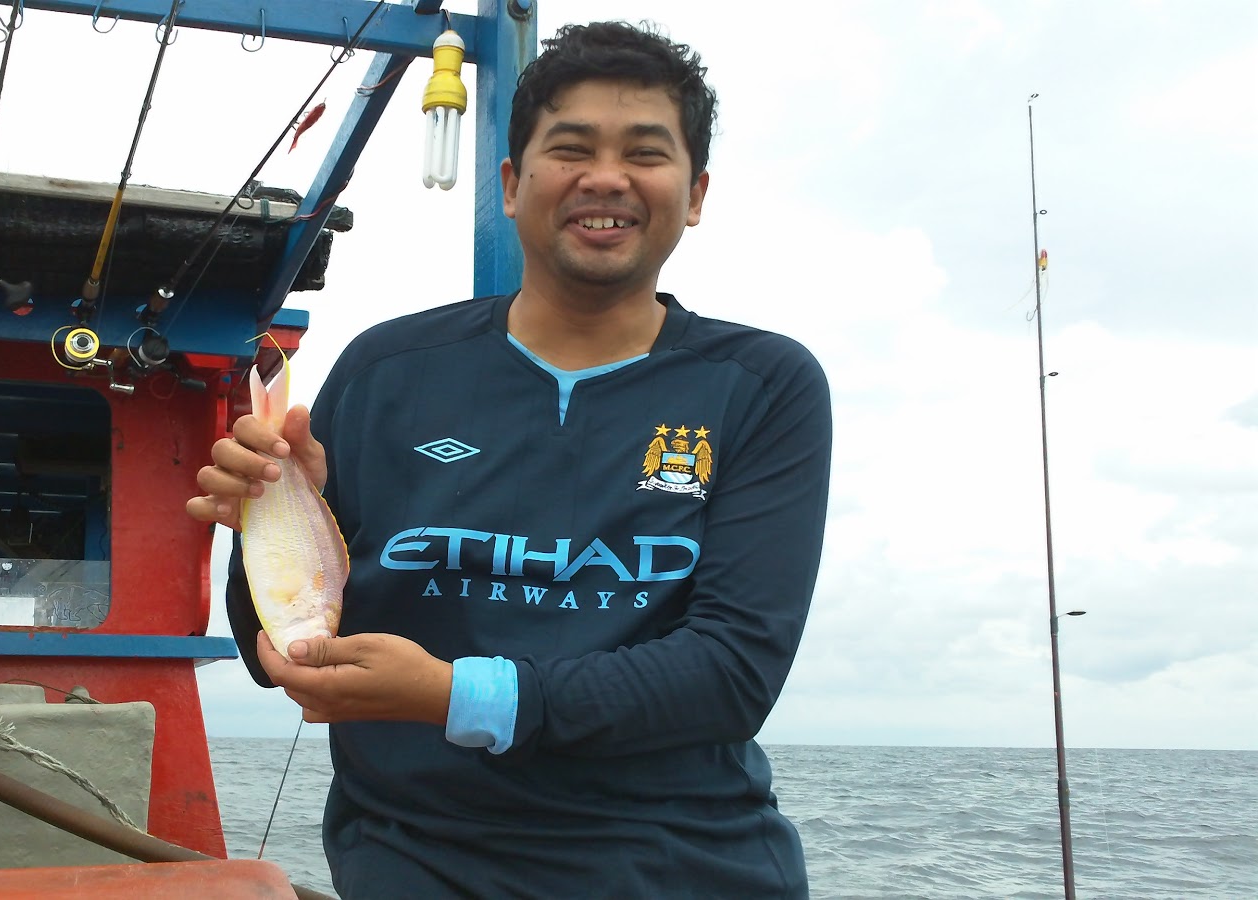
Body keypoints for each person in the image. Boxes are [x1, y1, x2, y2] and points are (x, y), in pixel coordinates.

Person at [189, 21, 831, 899]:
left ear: (696, 192)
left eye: (645, 153)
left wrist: (453, 695)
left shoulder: (763, 384)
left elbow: (729, 677)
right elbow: (280, 646)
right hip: (417, 864)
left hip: (690, 865)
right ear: (510, 184)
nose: (605, 177)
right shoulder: (386, 370)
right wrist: (277, 509)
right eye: (570, 149)